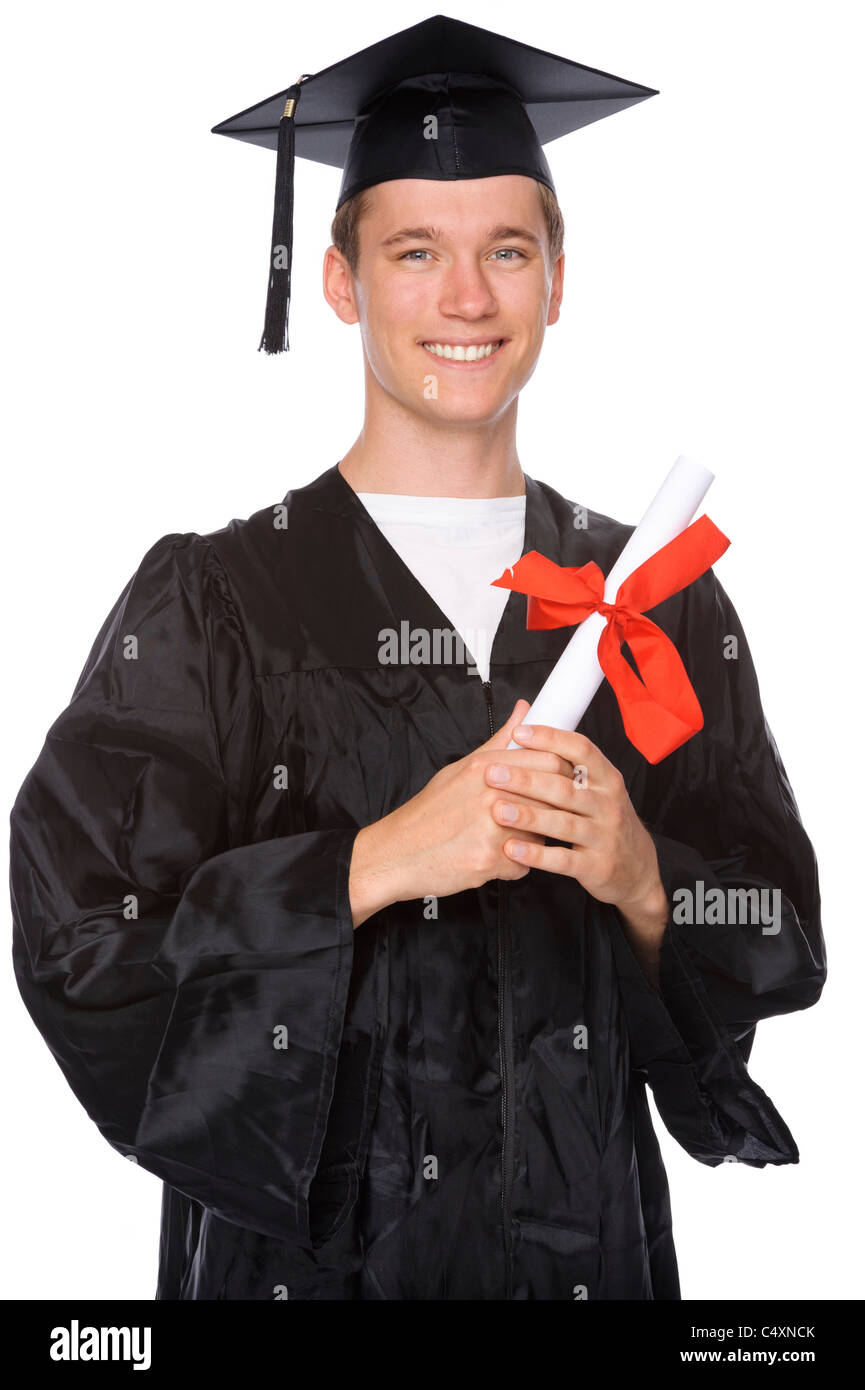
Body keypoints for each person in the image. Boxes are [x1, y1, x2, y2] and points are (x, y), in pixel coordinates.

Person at [10, 16, 825, 1301]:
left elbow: (775, 925)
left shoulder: (649, 595)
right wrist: (374, 862)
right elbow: (81, 944)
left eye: (507, 250)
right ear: (340, 282)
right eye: (414, 253)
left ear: (558, 277)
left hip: (586, 1266)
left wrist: (642, 875)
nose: (466, 300)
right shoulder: (215, 601)